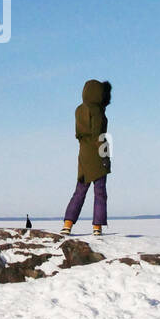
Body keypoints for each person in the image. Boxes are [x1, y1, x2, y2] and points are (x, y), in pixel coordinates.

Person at [61, 79, 111, 236]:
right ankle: (97, 227)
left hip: (83, 152)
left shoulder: (79, 109)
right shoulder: (97, 111)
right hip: (97, 152)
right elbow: (99, 136)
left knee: (80, 190)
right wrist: (106, 157)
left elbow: (78, 134)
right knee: (100, 190)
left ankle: (67, 224)